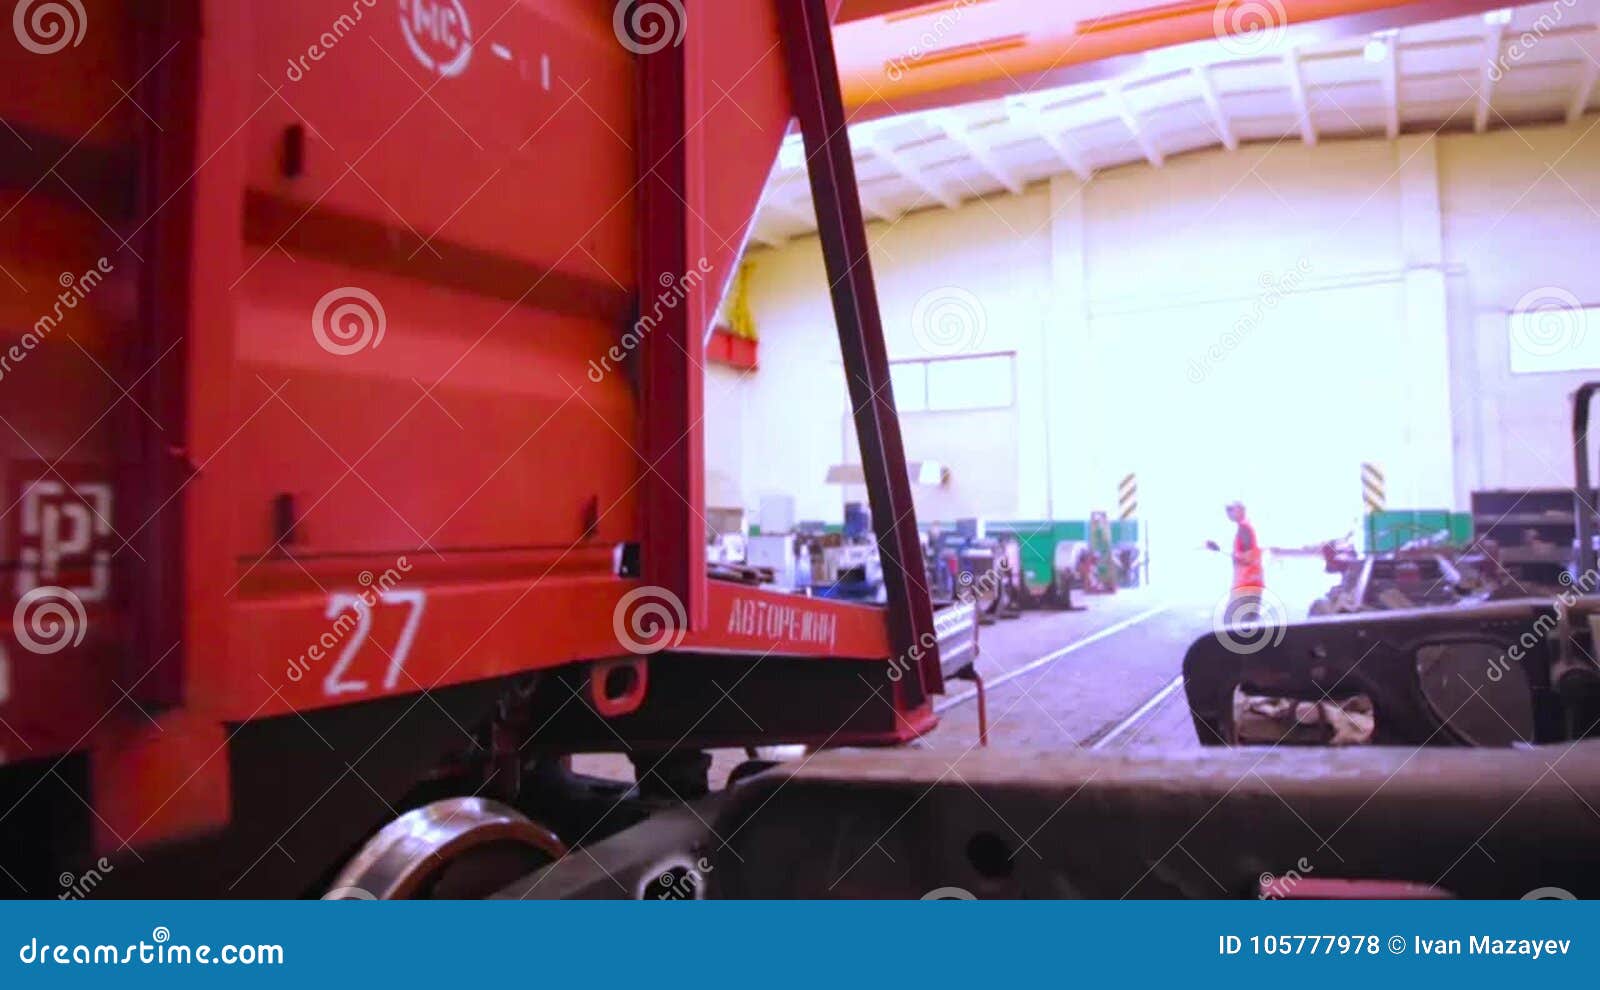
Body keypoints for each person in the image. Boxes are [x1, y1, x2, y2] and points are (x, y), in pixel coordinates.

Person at [1206, 500, 1265, 621]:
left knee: (1231, 625)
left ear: (1241, 510)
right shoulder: (1247, 528)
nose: (1228, 513)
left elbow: (1248, 558)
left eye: (1230, 510)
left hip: (1245, 586)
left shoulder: (1245, 529)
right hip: (1253, 584)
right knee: (1249, 628)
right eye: (1227, 510)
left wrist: (1219, 549)